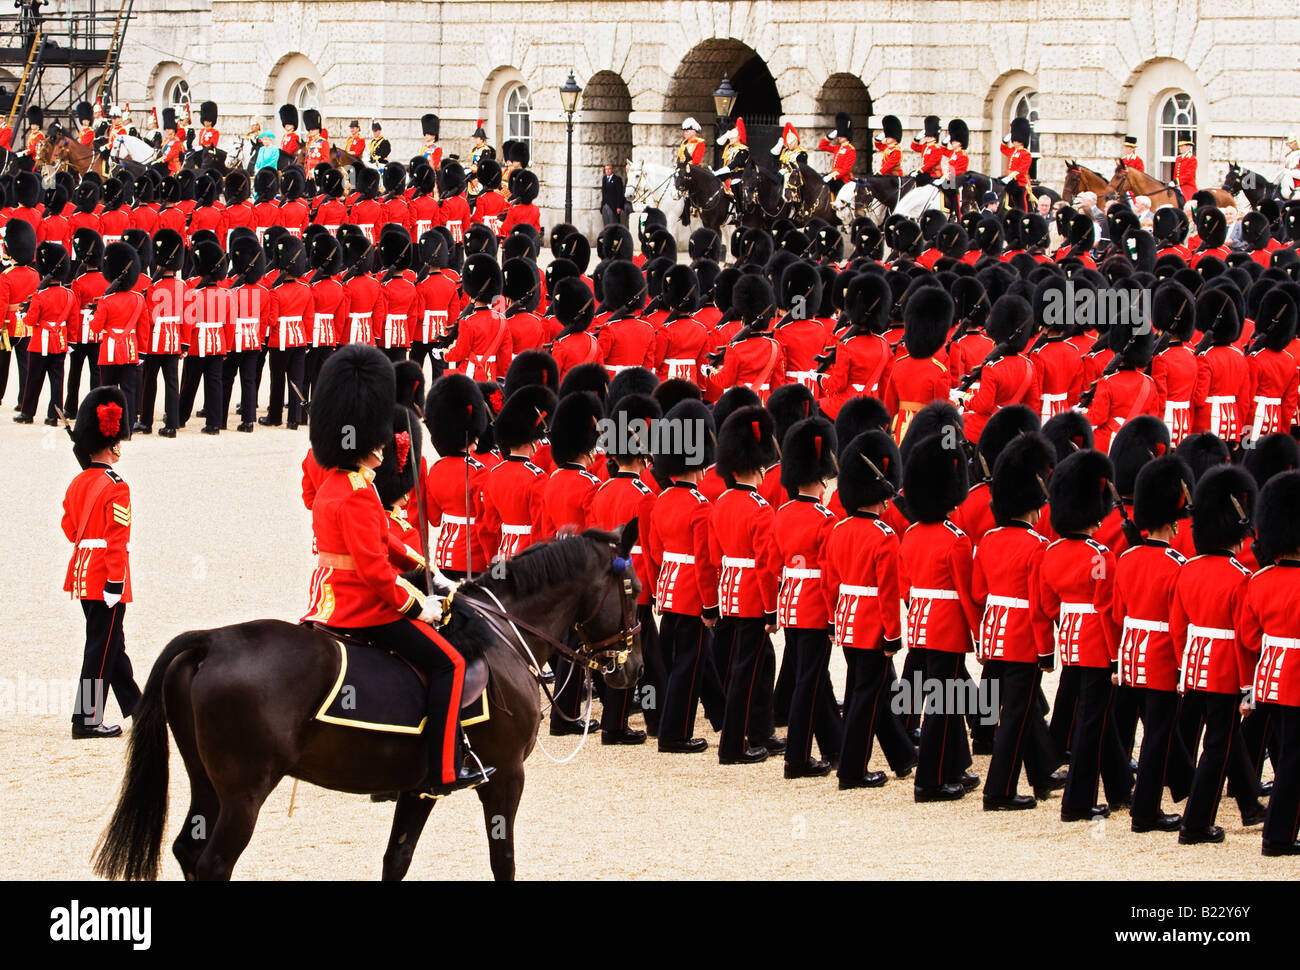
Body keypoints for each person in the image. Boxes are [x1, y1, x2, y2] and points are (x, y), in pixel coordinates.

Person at [304, 344, 490, 797]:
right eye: (379, 443)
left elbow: (385, 542)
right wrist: (419, 604)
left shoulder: (335, 483)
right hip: (363, 606)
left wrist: (431, 572)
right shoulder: (359, 491)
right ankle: (443, 768)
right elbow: (373, 570)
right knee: (451, 661)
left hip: (328, 598)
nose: (384, 450)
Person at [1172, 465, 1265, 843]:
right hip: (1226, 667)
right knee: (1218, 745)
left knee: (1227, 737)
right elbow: (1244, 639)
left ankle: (1249, 805)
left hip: (1195, 664)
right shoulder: (1239, 576)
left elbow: (1179, 626)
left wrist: (1184, 668)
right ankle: (1194, 824)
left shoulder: (1188, 569)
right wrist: (1248, 685)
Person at [973, 432, 1062, 810]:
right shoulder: (1037, 547)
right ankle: (1000, 790)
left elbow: (979, 593)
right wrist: (1047, 650)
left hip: (994, 633)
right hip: (1023, 636)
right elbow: (1041, 607)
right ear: (1035, 507)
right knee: (1015, 713)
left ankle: (1041, 775)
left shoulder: (989, 539)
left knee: (1020, 710)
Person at [62, 385, 142, 739]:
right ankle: (86, 718)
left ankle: (140, 709)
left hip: (82, 573)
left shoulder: (79, 481)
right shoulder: (116, 485)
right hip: (104, 577)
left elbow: (69, 528)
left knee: (111, 643)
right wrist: (114, 581)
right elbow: (117, 539)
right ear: (112, 444)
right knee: (100, 648)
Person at [710, 406, 783, 765]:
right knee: (746, 670)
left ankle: (759, 730)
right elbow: (767, 566)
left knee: (758, 662)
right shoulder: (760, 508)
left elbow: (713, 556)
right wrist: (772, 609)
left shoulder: (720, 503)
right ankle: (733, 746)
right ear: (757, 468)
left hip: (729, 590)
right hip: (753, 596)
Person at [774, 417, 843, 777]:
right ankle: (797, 757)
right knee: (809, 681)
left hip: (790, 602)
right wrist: (835, 616)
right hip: (816, 605)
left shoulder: (782, 514)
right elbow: (830, 576)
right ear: (819, 480)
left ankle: (835, 747)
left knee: (815, 678)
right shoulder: (824, 518)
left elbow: (774, 563)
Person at [817, 112, 857, 195]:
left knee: (830, 185)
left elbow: (846, 169)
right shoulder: (837, 148)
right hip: (834, 175)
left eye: (841, 135)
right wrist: (831, 136)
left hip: (843, 178)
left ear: (846, 135)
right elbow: (822, 146)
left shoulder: (851, 149)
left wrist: (833, 176)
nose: (839, 137)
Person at [1000, 116, 1033, 211]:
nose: (1013, 142)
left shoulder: (1026, 154)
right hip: (1010, 181)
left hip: (1021, 182)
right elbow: (1003, 149)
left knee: (1021, 200)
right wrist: (1004, 141)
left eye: (1016, 139)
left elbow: (1022, 169)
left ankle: (1024, 214)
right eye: (1013, 139)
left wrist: (1010, 177)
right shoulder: (1012, 151)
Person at [908, 115, 944, 185]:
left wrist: (920, 170)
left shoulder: (937, 149)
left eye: (929, 135)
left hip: (934, 175)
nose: (927, 137)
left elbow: (930, 163)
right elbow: (914, 147)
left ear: (934, 136)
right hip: (926, 173)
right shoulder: (925, 146)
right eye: (926, 135)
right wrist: (917, 138)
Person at [1170, 135, 1197, 204]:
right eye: (1179, 146)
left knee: (1189, 204)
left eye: (1182, 146)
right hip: (1177, 186)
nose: (1180, 148)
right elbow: (1176, 173)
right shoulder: (1178, 158)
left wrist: (1176, 182)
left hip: (1187, 187)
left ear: (1188, 147)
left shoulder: (1192, 159)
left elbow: (1188, 175)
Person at [1281, 133, 1300, 200]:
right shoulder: (1290, 155)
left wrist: (1287, 172)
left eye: (1292, 143)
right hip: (1287, 185)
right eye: (1289, 143)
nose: (1290, 145)